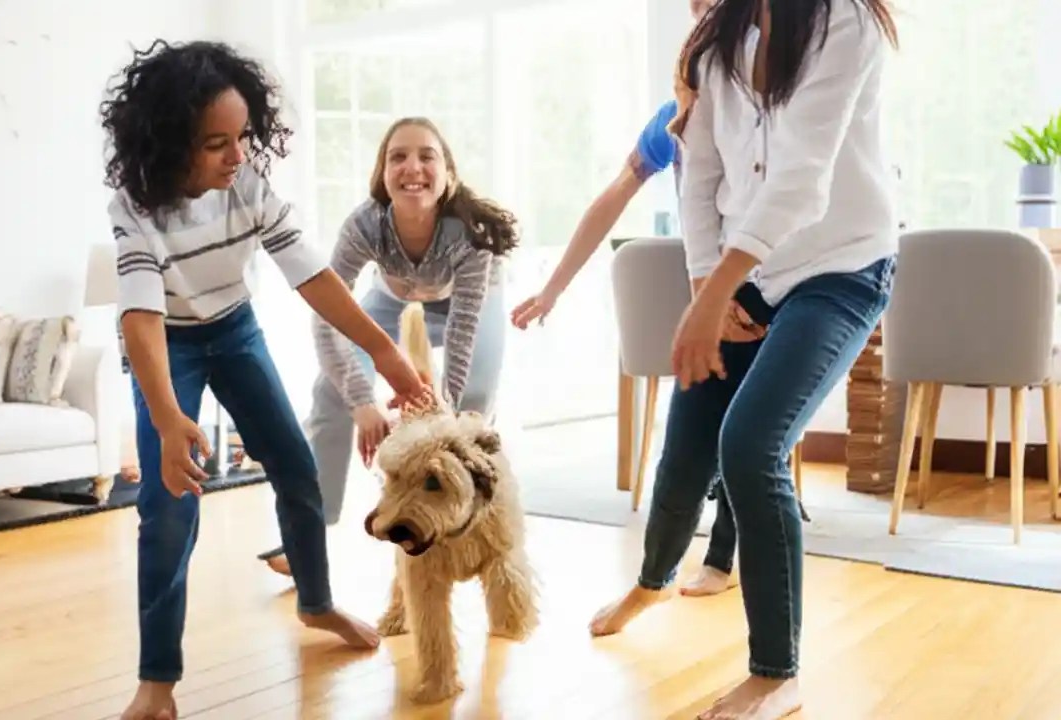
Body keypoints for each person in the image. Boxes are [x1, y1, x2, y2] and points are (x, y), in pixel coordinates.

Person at [97, 40, 432, 720]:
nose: (238, 155)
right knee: (168, 510)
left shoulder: (246, 186)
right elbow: (140, 317)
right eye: (216, 142)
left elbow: (311, 275)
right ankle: (156, 682)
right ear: (170, 144)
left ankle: (315, 602)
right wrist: (166, 422)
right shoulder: (136, 204)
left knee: (296, 468)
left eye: (243, 136)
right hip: (169, 345)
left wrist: (386, 355)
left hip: (235, 327)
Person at [586, 1, 899, 718]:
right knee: (688, 442)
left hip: (843, 267)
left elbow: (804, 178)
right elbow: (699, 180)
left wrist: (717, 288)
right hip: (746, 272)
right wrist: (706, 284)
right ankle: (653, 579)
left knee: (751, 444)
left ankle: (774, 671)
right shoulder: (712, 45)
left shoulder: (843, 21)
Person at [511, 0, 752, 599]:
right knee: (701, 433)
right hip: (707, 295)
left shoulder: (765, 112)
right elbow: (612, 198)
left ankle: (723, 558)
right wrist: (553, 287)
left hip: (771, 288)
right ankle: (670, 568)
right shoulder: (675, 119)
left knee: (752, 429)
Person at [259, 116, 517, 577]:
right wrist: (361, 401)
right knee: (330, 393)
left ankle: (468, 525)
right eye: (397, 156)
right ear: (381, 174)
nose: (411, 167)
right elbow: (326, 316)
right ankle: (310, 533)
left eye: (426, 156)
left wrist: (441, 408)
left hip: (467, 308)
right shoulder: (365, 224)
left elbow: (461, 332)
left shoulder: (471, 232)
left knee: (471, 409)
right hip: (392, 301)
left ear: (448, 176)